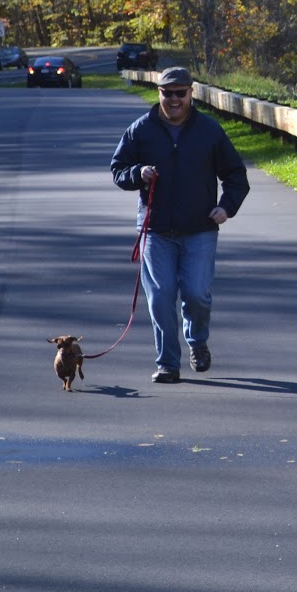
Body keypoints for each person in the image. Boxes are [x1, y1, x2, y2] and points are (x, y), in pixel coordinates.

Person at [110, 66, 250, 384]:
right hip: (155, 230)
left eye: (180, 93)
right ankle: (167, 364)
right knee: (160, 297)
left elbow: (236, 176)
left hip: (199, 228)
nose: (174, 99)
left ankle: (197, 341)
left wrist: (226, 207)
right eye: (167, 92)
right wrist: (137, 173)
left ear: (191, 93)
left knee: (196, 294)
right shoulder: (140, 129)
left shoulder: (209, 131)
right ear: (159, 93)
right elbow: (118, 168)